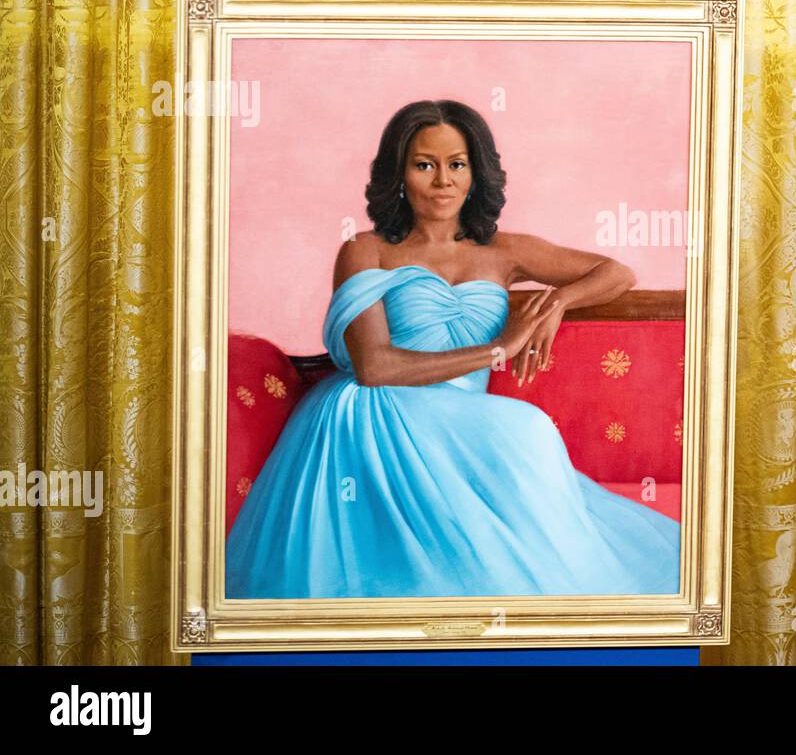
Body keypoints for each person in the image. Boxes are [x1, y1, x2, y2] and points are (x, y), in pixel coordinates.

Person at [226, 99, 681, 598]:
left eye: (456, 164)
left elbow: (616, 273)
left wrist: (559, 301)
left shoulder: (504, 251)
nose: (442, 180)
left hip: (460, 413)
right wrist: (498, 350)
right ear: (398, 174)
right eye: (425, 164)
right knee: (522, 429)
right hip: (371, 414)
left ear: (475, 173)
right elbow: (375, 366)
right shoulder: (366, 249)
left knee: (520, 437)